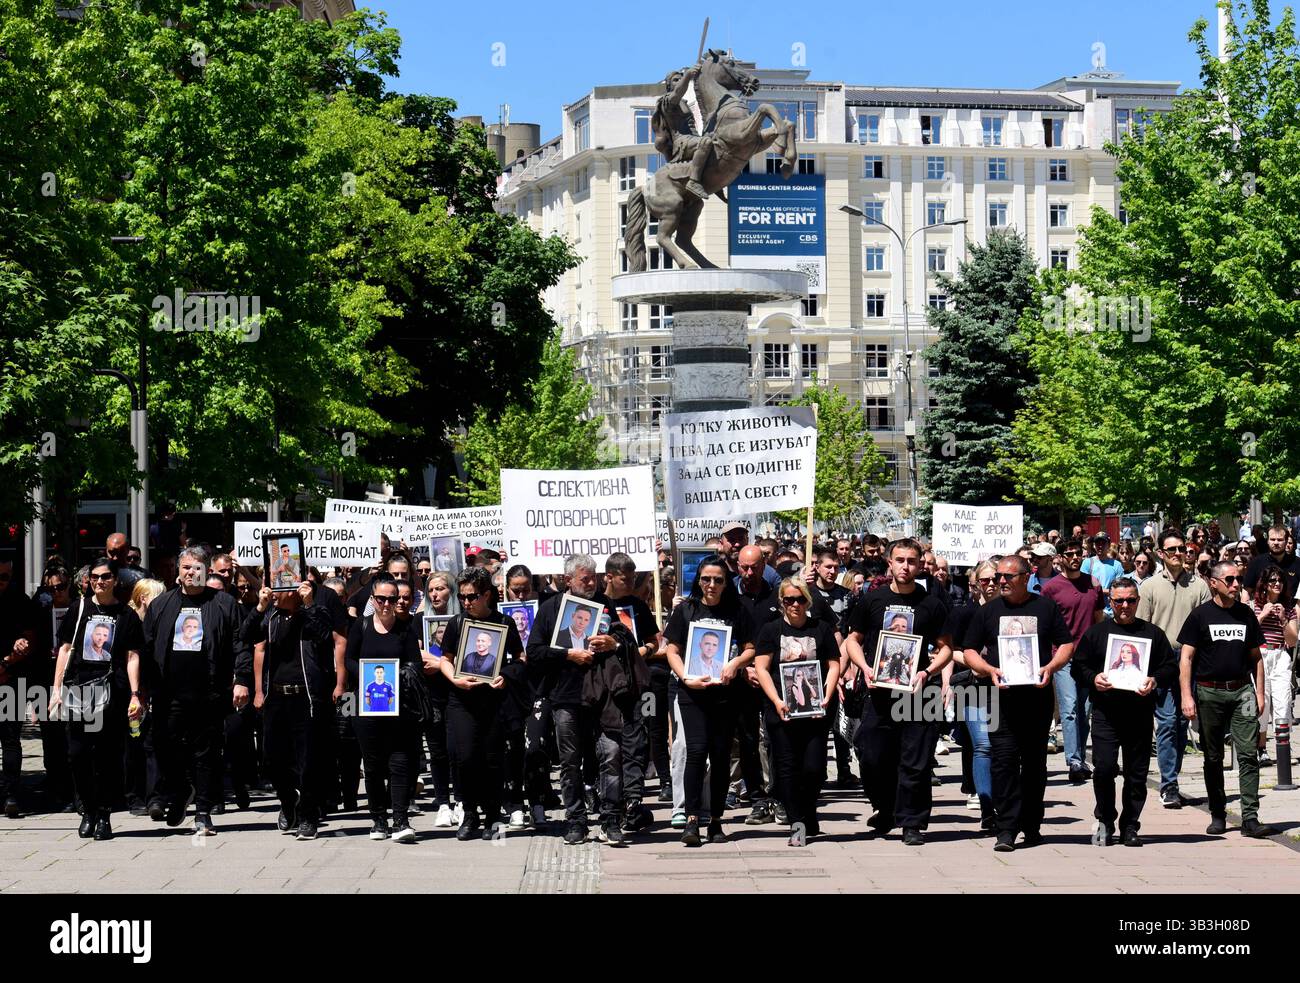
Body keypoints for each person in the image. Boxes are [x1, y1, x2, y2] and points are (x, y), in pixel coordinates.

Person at [844, 538, 953, 846]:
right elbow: (853, 639)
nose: (906, 566)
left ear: (920, 565)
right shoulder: (872, 600)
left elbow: (946, 648)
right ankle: (886, 806)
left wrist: (927, 672)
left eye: (911, 561)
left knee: (915, 760)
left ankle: (912, 822)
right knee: (871, 755)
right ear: (889, 563)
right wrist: (865, 668)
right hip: (879, 693)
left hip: (919, 692)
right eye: (900, 560)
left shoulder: (932, 603)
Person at [961, 555, 1074, 851]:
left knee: (1035, 765)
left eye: (1008, 577)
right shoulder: (989, 611)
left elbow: (1066, 643)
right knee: (1003, 763)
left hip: (1036, 699)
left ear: (1026, 577)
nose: (1000, 581)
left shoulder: (1044, 607)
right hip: (1000, 699)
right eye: (998, 576)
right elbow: (970, 649)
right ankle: (1006, 828)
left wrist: (1051, 667)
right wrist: (988, 669)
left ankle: (1032, 825)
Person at [142, 546, 252, 835]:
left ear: (207, 571)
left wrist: (242, 678)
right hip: (169, 692)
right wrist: (141, 690)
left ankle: (203, 812)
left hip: (209, 692)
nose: (191, 573)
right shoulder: (161, 605)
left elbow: (240, 644)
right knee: (166, 749)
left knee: (206, 753)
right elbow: (147, 647)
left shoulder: (225, 604)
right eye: (186, 568)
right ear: (178, 572)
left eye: (197, 568)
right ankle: (180, 792)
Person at [1071, 578, 1175, 846]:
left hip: (1139, 713)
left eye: (1130, 600)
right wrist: (1094, 678)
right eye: (1119, 600)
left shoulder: (1152, 634)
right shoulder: (1097, 633)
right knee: (1104, 768)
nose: (1125, 605)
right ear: (1110, 602)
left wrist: (1155, 679)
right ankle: (1105, 819)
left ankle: (1130, 824)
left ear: (1138, 601)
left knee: (1136, 774)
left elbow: (1169, 667)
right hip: (1106, 714)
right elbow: (1078, 667)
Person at [1178, 560, 1278, 838]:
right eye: (1230, 580)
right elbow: (1186, 658)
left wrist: (1259, 693)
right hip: (1209, 692)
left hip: (1241, 691)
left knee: (1248, 754)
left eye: (1238, 579)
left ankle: (1250, 817)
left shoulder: (1245, 614)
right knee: (1213, 756)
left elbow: (1256, 657)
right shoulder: (1200, 616)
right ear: (1214, 583)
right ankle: (1218, 813)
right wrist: (1187, 695)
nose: (1236, 585)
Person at [526, 554, 620, 845]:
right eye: (585, 578)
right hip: (565, 697)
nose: (592, 582)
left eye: (594, 577)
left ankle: (610, 818)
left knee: (611, 754)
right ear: (568, 580)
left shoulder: (604, 605)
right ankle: (576, 820)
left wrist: (612, 642)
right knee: (570, 761)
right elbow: (535, 652)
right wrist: (567, 654)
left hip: (601, 695)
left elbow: (622, 638)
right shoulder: (550, 609)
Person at [49, 558, 145, 841]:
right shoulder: (79, 609)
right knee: (77, 754)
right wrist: (56, 689)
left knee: (107, 757)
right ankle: (88, 809)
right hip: (79, 689)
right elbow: (65, 649)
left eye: (104, 577)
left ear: (115, 580)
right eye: (94, 577)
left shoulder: (126, 616)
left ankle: (104, 814)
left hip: (112, 691)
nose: (99, 582)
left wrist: (135, 694)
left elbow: (132, 656)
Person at [664, 555, 757, 847]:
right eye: (706, 579)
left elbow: (751, 648)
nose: (712, 585)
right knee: (696, 751)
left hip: (726, 694)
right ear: (699, 580)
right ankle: (692, 818)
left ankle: (715, 820)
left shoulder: (737, 609)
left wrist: (736, 664)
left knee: (720, 756)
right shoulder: (686, 610)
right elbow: (672, 650)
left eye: (718, 579)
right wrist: (685, 678)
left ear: (726, 582)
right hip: (693, 692)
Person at [251, 579, 341, 840]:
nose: (273, 593)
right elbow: (247, 637)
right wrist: (260, 606)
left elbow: (324, 634)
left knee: (309, 761)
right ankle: (288, 801)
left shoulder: (313, 612)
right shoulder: (271, 615)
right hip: (276, 697)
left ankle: (308, 816)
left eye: (278, 589)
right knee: (273, 759)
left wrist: (309, 603)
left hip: (306, 696)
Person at [440, 567, 525, 841]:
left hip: (494, 701)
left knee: (492, 759)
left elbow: (521, 658)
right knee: (465, 759)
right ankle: (469, 813)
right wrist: (454, 679)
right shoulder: (456, 623)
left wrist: (506, 676)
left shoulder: (504, 622)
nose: (466, 602)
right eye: (462, 597)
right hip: (462, 700)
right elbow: (446, 658)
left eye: (472, 596)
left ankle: (491, 815)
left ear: (486, 595)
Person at [754, 578, 840, 846]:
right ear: (781, 602)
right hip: (782, 711)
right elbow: (762, 668)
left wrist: (826, 695)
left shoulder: (821, 629)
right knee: (788, 769)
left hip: (815, 710)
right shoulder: (771, 630)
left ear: (807, 601)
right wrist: (777, 700)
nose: (794, 604)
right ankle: (798, 823)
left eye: (800, 599)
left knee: (814, 768)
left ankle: (808, 809)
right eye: (788, 599)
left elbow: (834, 664)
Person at [345, 573, 422, 842]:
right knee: (374, 766)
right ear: (373, 599)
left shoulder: (406, 630)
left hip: (400, 709)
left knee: (400, 763)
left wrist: (398, 674)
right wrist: (368, 675)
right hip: (367, 708)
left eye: (393, 598)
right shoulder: (361, 627)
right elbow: (349, 660)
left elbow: (415, 664)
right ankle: (378, 820)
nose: (388, 604)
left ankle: (400, 820)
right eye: (382, 599)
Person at [1136, 528, 1211, 809]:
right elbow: (1141, 629)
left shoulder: (1199, 586)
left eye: (1182, 548)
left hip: (1190, 659)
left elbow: (1206, 625)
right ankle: (1169, 784)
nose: (1178, 554)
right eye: (1172, 550)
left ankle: (1173, 777)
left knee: (1181, 723)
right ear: (1161, 554)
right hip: (1162, 659)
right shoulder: (1149, 587)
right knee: (1167, 722)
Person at [602, 553, 660, 838]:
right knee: (611, 748)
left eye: (634, 576)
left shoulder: (638, 605)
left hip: (639, 686)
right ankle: (610, 803)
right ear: (609, 577)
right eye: (626, 577)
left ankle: (634, 801)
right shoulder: (598, 606)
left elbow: (653, 639)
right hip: (607, 686)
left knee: (638, 740)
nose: (632, 581)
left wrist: (643, 652)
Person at [1041, 538, 1105, 785]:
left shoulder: (1093, 585)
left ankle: (1080, 756)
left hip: (1088, 658)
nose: (1075, 557)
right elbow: (1046, 626)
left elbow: (1099, 619)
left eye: (1078, 553)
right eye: (1069, 553)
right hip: (1062, 656)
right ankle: (1074, 760)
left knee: (1085, 710)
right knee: (1068, 709)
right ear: (1060, 558)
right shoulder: (1052, 588)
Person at [1250, 566, 1298, 768]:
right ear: (1264, 584)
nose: (1277, 584)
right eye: (1272, 581)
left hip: (1280, 655)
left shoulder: (1288, 609)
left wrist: (1283, 619)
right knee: (1263, 703)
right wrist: (1262, 615)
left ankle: (1283, 746)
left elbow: (1293, 640)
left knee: (1282, 702)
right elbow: (1248, 633)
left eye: (1280, 581)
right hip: (1260, 655)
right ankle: (1261, 748)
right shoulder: (1253, 606)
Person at [1241, 524, 1299, 598]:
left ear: (1286, 541)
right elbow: (1246, 591)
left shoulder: (1297, 563)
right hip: (1262, 608)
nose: (1276, 543)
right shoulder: (1256, 562)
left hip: (1292, 608)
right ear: (1267, 541)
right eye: (1272, 539)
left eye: (1280, 540)